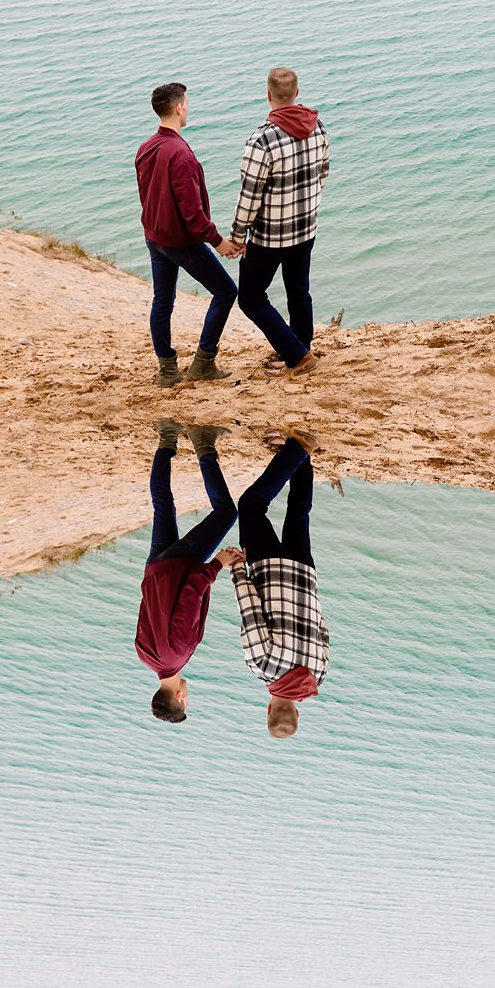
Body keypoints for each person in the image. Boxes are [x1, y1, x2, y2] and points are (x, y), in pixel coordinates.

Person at [136, 420, 242, 722]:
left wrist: (217, 564)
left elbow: (191, 594)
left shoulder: (180, 652)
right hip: (155, 569)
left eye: (186, 702)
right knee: (162, 506)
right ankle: (167, 438)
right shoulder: (145, 657)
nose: (188, 698)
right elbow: (148, 608)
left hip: (180, 566)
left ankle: (203, 444)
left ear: (179, 697)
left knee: (226, 513)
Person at [228, 67, 330, 378]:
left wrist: (236, 236)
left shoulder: (262, 140)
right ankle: (300, 348)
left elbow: (250, 195)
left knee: (250, 298)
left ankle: (297, 355)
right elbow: (323, 175)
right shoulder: (318, 127)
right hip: (306, 226)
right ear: (296, 94)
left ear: (269, 95)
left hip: (270, 236)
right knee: (299, 291)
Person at [135, 81, 238, 386]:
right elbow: (192, 215)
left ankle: (167, 370)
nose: (188, 108)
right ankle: (203, 361)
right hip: (179, 240)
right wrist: (218, 241)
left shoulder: (146, 147)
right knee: (225, 291)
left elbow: (146, 194)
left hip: (154, 236)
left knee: (162, 301)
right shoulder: (180, 153)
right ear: (179, 108)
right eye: (187, 104)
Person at [230, 431, 328, 738]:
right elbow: (250, 609)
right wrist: (236, 570)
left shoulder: (319, 675)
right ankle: (298, 448)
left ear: (296, 711)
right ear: (269, 710)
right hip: (270, 570)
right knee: (250, 506)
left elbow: (323, 629)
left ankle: (302, 458)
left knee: (299, 514)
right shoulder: (263, 665)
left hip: (305, 577)